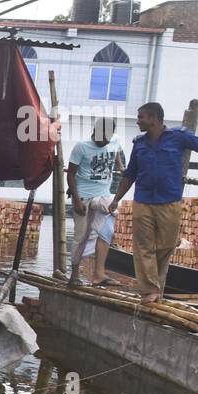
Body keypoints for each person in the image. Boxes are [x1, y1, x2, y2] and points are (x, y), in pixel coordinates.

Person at [108, 102, 198, 302]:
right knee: (143, 247)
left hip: (169, 201)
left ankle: (156, 289)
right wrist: (116, 199)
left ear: (153, 118)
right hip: (143, 200)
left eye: (141, 117)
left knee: (166, 246)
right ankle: (149, 290)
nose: (138, 121)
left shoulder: (179, 136)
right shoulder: (139, 143)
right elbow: (130, 175)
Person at [67, 117, 120, 286]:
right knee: (81, 236)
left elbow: (116, 151)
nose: (105, 141)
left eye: (108, 138)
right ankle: (74, 276)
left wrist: (120, 166)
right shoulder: (81, 147)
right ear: (95, 132)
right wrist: (76, 200)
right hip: (83, 196)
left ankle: (99, 274)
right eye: (102, 137)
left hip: (103, 194)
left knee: (107, 230)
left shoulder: (115, 141)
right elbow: (70, 174)